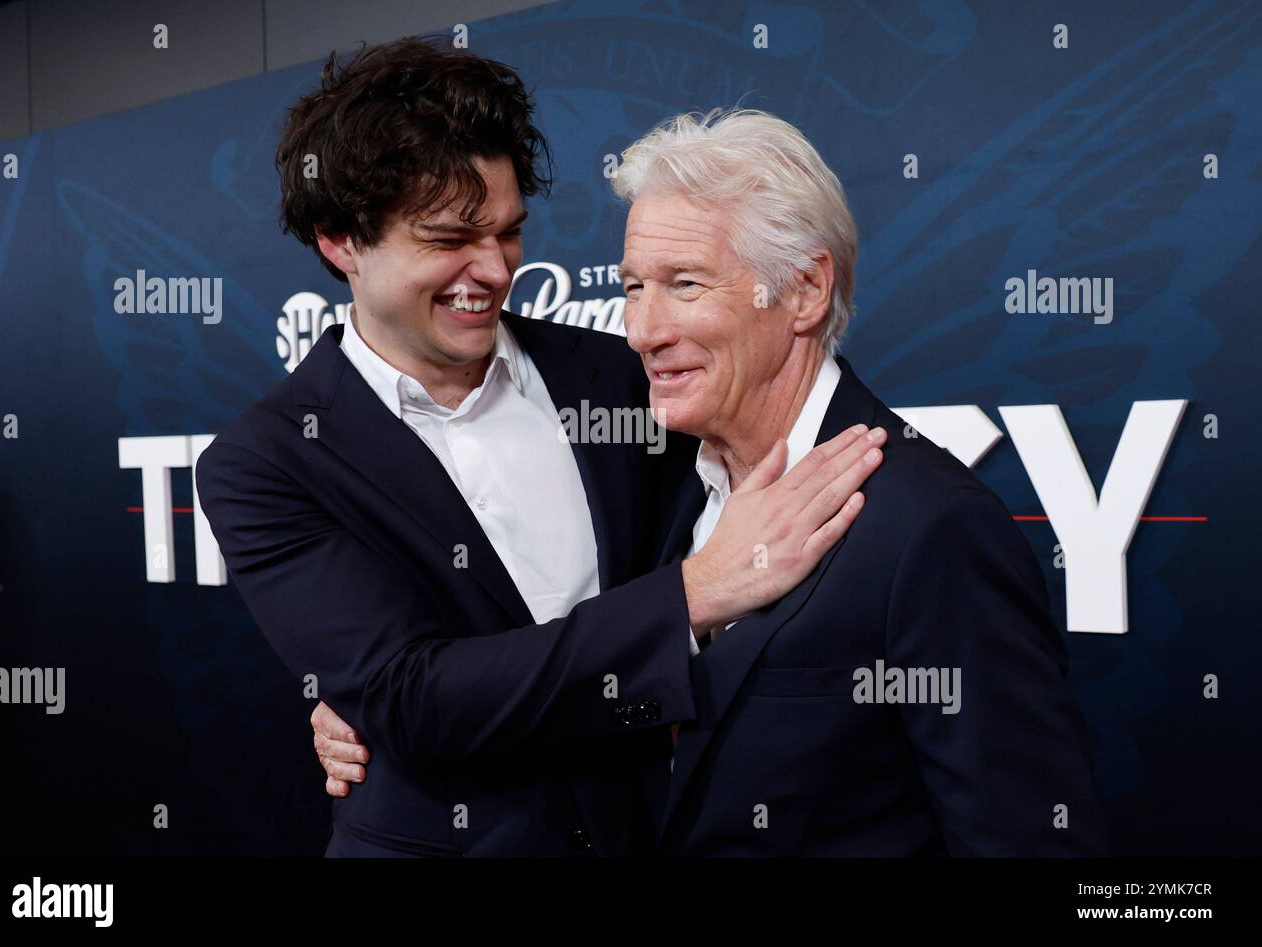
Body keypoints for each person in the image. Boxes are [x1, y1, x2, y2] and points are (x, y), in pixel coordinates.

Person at [320, 107, 1110, 857]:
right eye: (634, 287)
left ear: (805, 291)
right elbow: (580, 660)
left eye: (686, 284)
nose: (642, 330)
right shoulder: (661, 483)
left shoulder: (930, 527)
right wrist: (369, 702)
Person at [196, 41, 881, 858]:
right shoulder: (265, 463)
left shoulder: (624, 377)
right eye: (450, 238)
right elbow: (414, 700)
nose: (492, 269)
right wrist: (692, 593)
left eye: (508, 231)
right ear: (340, 239)